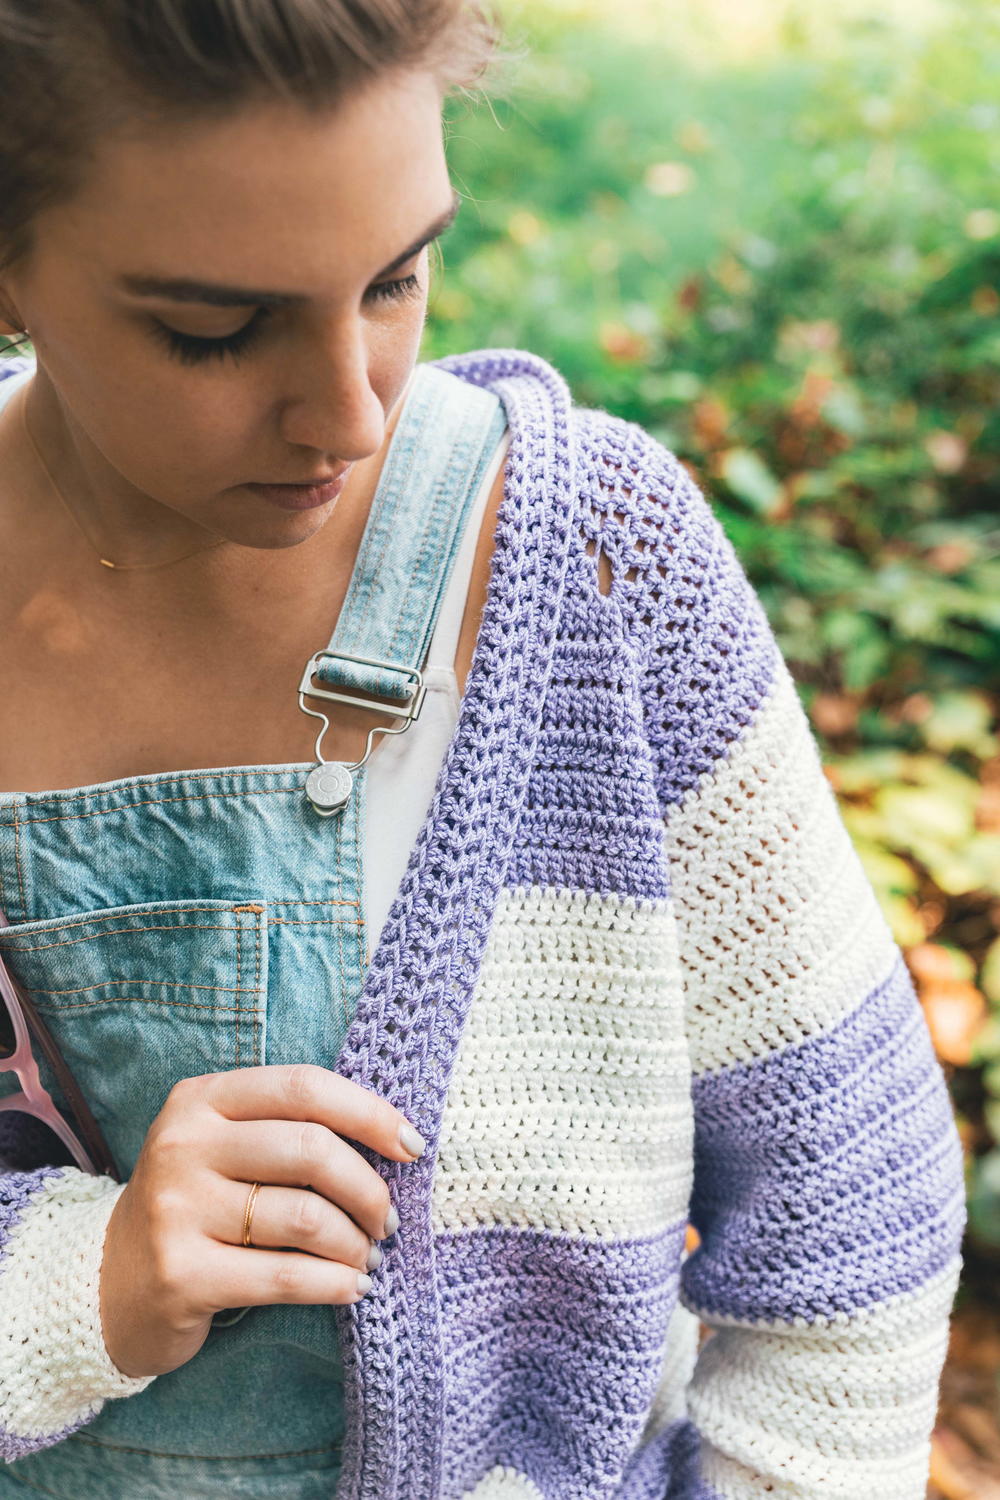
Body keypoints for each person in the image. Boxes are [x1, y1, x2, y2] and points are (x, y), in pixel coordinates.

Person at [0, 2, 967, 1497]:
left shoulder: (594, 573)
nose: (348, 412)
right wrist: (83, 1286)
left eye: (398, 277)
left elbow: (855, 1216)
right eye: (217, 328)